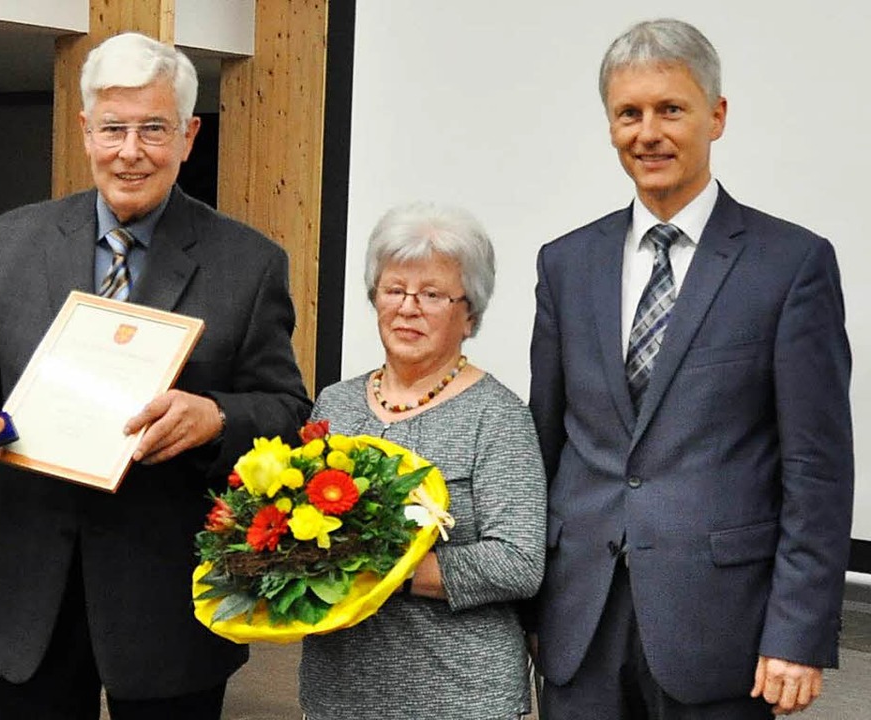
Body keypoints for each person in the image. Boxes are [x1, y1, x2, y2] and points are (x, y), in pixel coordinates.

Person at [0, 32, 311, 720]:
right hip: (26, 589)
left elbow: (286, 408)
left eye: (153, 129)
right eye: (113, 128)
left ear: (189, 135)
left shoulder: (249, 264)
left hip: (169, 593)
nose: (130, 151)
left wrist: (217, 418)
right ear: (85, 130)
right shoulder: (14, 241)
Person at [527, 18, 853, 719]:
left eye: (670, 109)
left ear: (717, 115)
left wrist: (797, 632)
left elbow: (817, 468)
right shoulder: (565, 264)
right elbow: (545, 443)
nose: (649, 132)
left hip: (722, 628)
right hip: (579, 620)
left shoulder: (792, 265)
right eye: (629, 113)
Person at [299, 202, 547, 720]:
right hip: (339, 690)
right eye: (394, 290)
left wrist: (385, 570)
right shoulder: (335, 404)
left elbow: (520, 563)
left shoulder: (497, 416)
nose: (408, 308)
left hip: (460, 693)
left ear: (470, 313)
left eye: (432, 294)